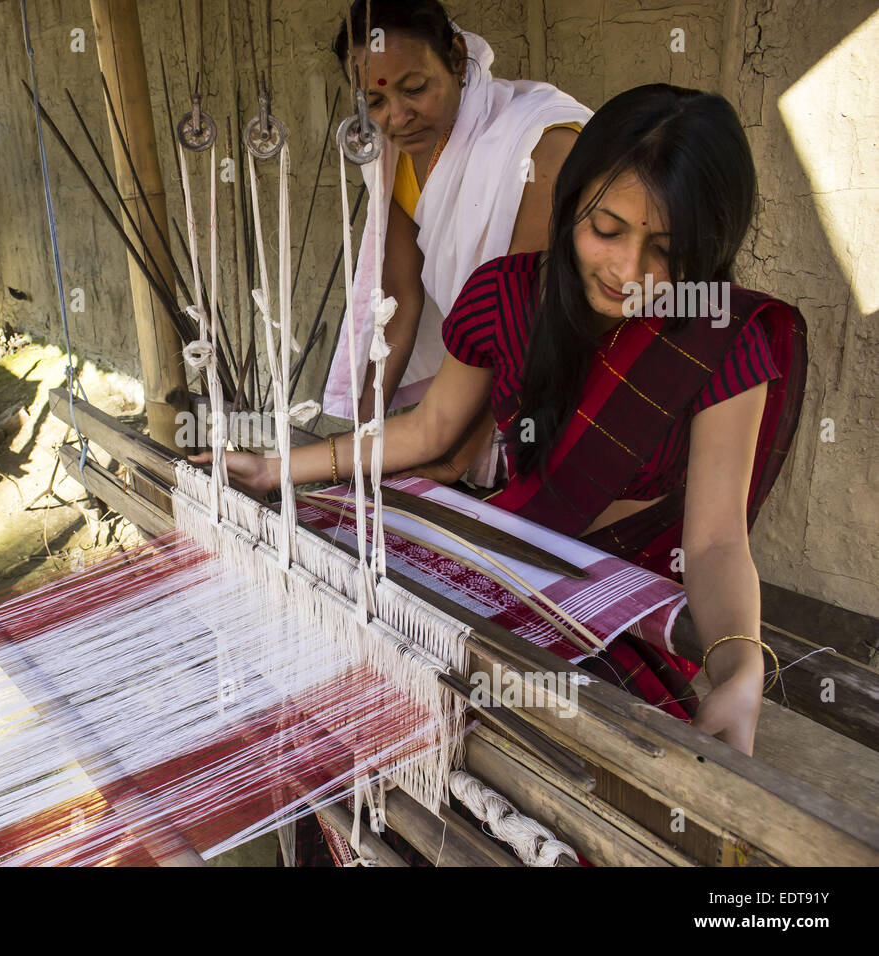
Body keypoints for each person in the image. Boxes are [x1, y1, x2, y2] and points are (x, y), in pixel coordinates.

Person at [198, 84, 808, 757]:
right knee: (330, 693)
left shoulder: (720, 336)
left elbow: (716, 542)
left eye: (666, 250)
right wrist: (276, 469)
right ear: (571, 198)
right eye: (606, 229)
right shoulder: (505, 295)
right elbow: (428, 431)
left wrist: (740, 668)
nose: (628, 270)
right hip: (506, 573)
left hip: (622, 623)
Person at [323, 0, 590, 486]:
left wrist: (452, 460)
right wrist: (365, 432)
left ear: (458, 55)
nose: (398, 117)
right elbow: (400, 300)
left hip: (567, 393)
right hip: (478, 388)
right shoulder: (396, 157)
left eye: (416, 88)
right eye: (375, 103)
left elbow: (521, 325)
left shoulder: (534, 145)